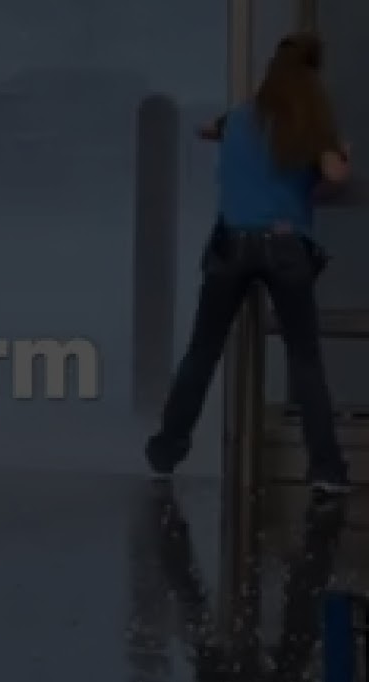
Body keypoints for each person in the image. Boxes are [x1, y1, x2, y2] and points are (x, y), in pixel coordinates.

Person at [146, 32, 351, 493]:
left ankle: (166, 448)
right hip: (285, 245)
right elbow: (336, 174)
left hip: (231, 246)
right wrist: (339, 156)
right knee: (304, 360)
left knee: (202, 352)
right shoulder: (309, 123)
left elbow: (208, 130)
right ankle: (325, 468)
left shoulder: (239, 118)